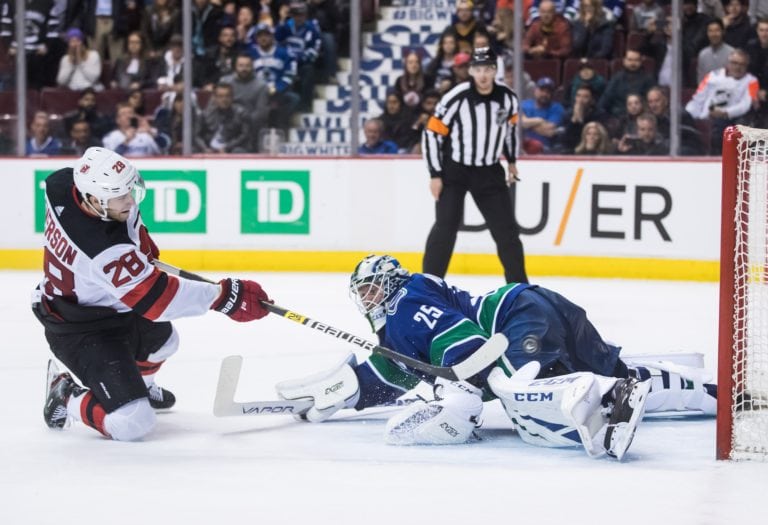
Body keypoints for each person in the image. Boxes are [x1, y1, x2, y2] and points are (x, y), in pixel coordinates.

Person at [274, 254, 717, 459]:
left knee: (523, 406)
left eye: (371, 288)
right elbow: (394, 372)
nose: (367, 299)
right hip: (539, 306)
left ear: (388, 284)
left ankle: (609, 393)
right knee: (610, 368)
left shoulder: (403, 304)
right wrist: (345, 393)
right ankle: (707, 392)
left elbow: (467, 346)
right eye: (362, 292)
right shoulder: (406, 307)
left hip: (515, 321)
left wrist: (458, 390)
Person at [34, 147, 271, 442]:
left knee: (164, 342)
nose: (131, 200)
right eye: (121, 196)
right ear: (95, 201)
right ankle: (65, 394)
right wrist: (223, 297)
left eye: (130, 190)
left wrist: (141, 258)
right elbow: (158, 300)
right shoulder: (104, 250)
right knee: (133, 423)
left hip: (110, 304)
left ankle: (141, 387)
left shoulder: (62, 185)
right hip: (80, 328)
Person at [422, 47, 527, 285]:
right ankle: (428, 286)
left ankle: (520, 289)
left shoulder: (508, 98)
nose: (482, 75)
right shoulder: (456, 97)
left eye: (488, 69)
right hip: (455, 171)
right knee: (445, 228)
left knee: (507, 233)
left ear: (494, 71)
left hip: (489, 171)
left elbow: (509, 131)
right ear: (470, 71)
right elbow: (432, 133)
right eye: (478, 69)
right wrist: (435, 173)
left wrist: (511, 161)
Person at [56, 27, 103, 92]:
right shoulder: (65, 59)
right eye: (72, 42)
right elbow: (61, 82)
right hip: (72, 92)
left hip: (90, 91)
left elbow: (93, 79)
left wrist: (80, 62)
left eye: (77, 41)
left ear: (82, 42)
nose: (75, 45)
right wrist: (71, 64)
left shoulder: (93, 55)